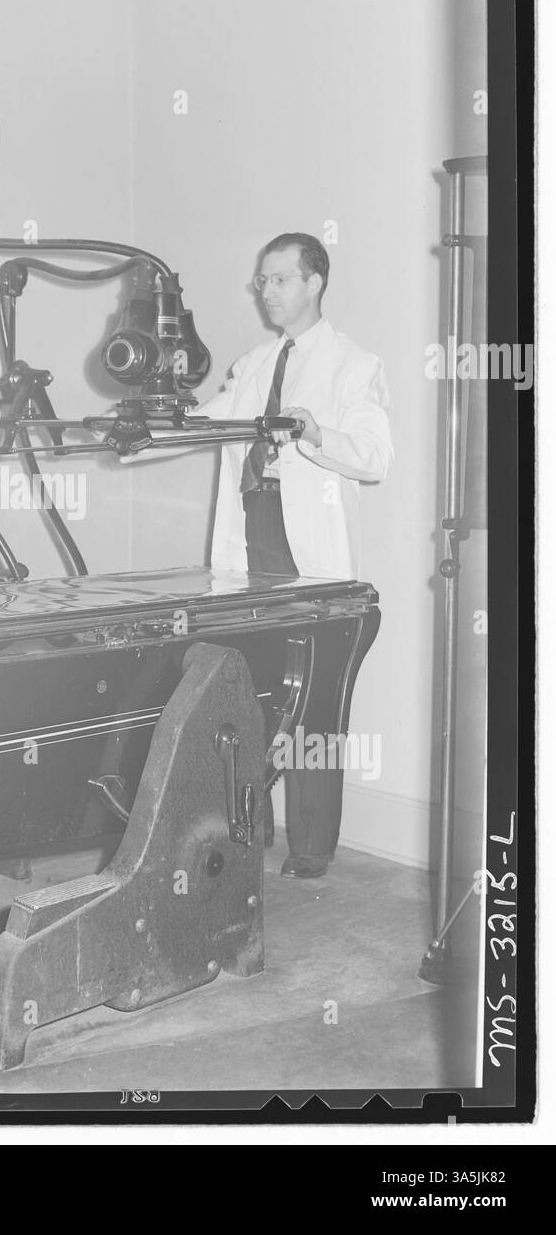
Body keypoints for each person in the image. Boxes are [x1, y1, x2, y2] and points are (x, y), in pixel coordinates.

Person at [192, 232, 393, 877]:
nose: (267, 291)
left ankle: (311, 849)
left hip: (312, 558)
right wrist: (149, 420)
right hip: (250, 546)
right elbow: (210, 420)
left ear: (314, 282)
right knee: (248, 695)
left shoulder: (353, 366)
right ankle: (252, 830)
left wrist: (315, 433)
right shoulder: (253, 363)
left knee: (316, 707)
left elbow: (374, 457)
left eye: (279, 279)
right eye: (262, 280)